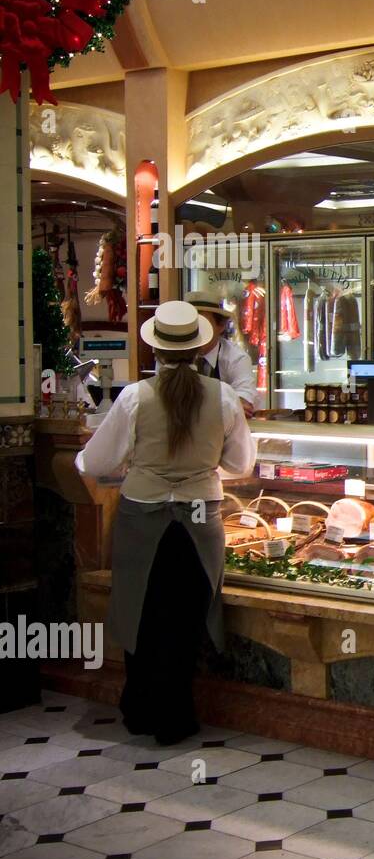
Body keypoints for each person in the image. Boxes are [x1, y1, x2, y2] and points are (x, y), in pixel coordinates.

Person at [76, 301, 255, 745]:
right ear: (197, 348)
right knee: (184, 618)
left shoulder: (136, 397)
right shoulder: (224, 397)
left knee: (143, 611)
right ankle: (177, 716)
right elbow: (241, 464)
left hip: (143, 518)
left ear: (155, 349)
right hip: (200, 520)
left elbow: (97, 460)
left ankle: (139, 709)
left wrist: (92, 460)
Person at [186, 289, 257, 416]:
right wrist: (227, 405)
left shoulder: (236, 358)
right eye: (189, 324)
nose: (195, 331)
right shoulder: (171, 355)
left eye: (203, 324)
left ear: (221, 325)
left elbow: (244, 404)